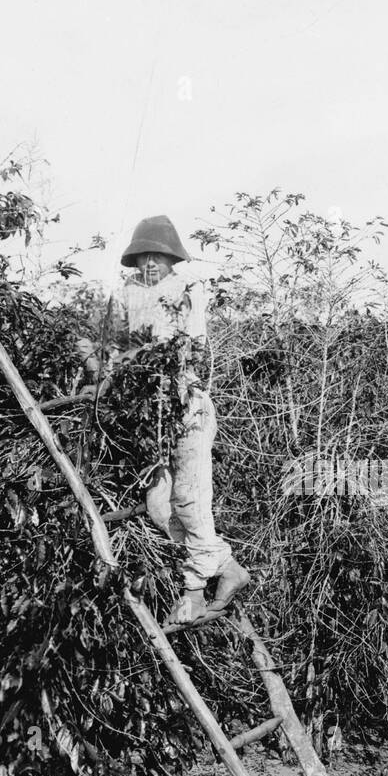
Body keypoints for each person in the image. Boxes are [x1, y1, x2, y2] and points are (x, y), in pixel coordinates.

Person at [116, 215, 249, 624]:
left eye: (158, 255)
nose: (150, 264)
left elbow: (192, 348)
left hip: (185, 403)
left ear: (172, 257)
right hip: (147, 410)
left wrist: (162, 362)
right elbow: (119, 346)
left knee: (189, 498)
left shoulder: (187, 289)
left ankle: (192, 590)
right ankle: (226, 567)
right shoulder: (126, 292)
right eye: (144, 257)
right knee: (159, 503)